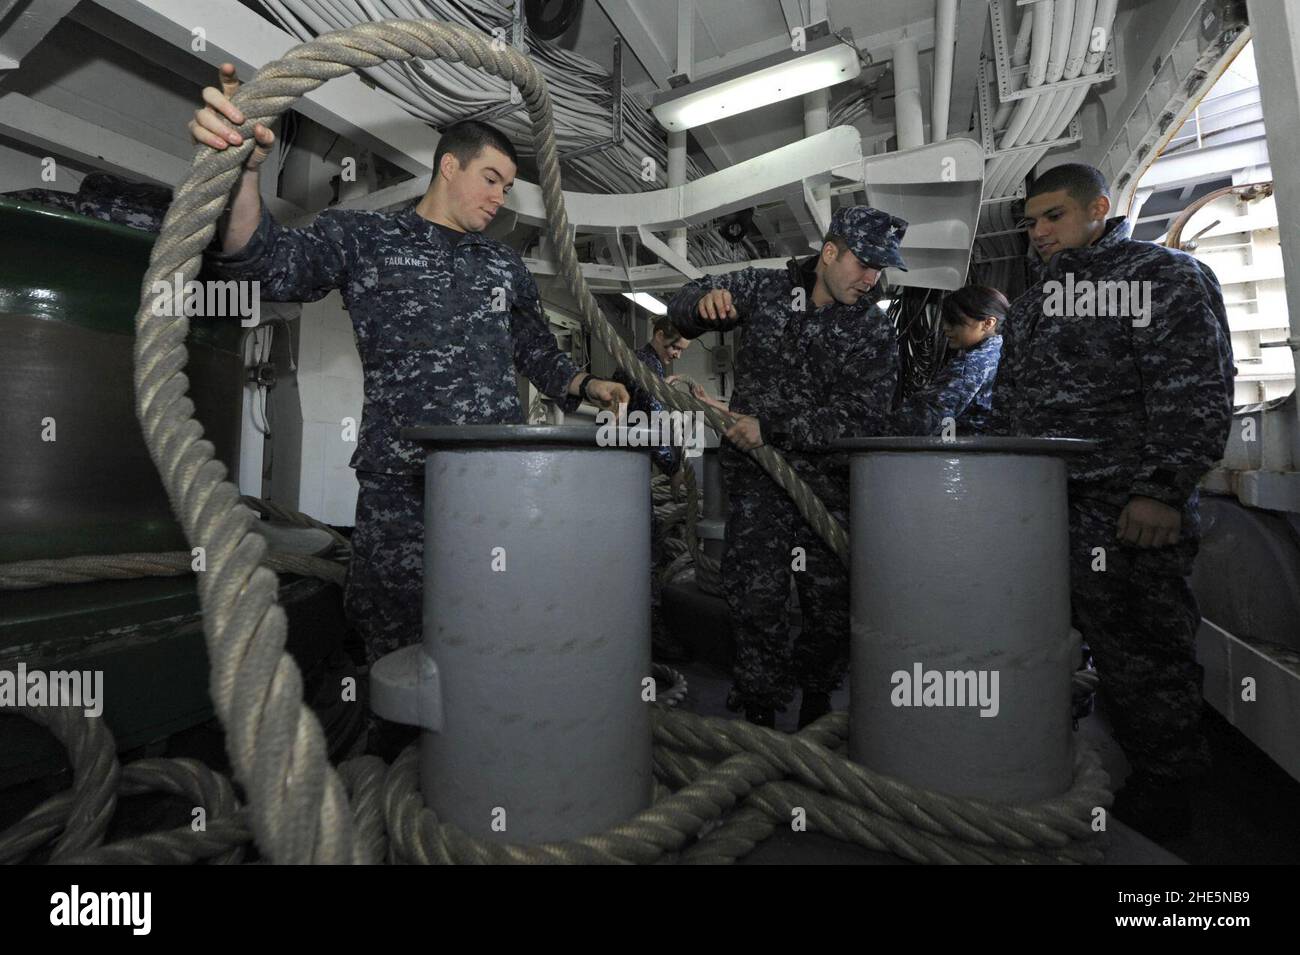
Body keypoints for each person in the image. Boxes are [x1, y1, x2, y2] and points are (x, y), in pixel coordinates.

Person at [190, 65, 629, 751]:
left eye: (508, 187)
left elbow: (536, 351)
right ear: (448, 167)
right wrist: (244, 171)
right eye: (491, 179)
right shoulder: (366, 239)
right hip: (401, 482)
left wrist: (583, 385)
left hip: (489, 487)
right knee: (392, 632)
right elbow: (257, 259)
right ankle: (394, 776)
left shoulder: (503, 265)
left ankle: (479, 759)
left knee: (487, 621)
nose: (500, 197)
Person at [988, 162, 1233, 837]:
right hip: (1045, 512)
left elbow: (1196, 387)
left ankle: (1166, 786)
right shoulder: (1034, 304)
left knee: (1144, 653)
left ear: (1098, 208)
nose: (1037, 231)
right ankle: (1050, 759)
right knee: (1048, 642)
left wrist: (1160, 489)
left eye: (1053, 216)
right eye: (1031, 221)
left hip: (1126, 512)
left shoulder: (1160, 276)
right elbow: (1008, 405)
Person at [668, 206, 906, 729]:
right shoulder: (765, 290)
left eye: (879, 270)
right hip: (759, 487)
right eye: (863, 263)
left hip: (828, 493)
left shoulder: (873, 330)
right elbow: (681, 305)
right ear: (829, 252)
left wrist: (770, 427)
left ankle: (817, 704)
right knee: (755, 601)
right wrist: (699, 303)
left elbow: (862, 419)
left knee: (829, 606)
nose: (871, 280)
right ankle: (760, 709)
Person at [611, 317, 727, 662]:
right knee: (646, 547)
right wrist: (674, 467)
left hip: (622, 472)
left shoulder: (644, 366)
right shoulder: (644, 370)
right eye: (673, 346)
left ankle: (631, 627)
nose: (676, 354)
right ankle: (651, 634)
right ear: (658, 335)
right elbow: (655, 425)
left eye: (682, 350)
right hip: (626, 475)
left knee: (640, 545)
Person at [890, 285, 1007, 436]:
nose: (945, 327)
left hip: (962, 454)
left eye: (955, 321)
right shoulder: (1004, 355)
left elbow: (922, 420)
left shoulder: (972, 365)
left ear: (988, 323)